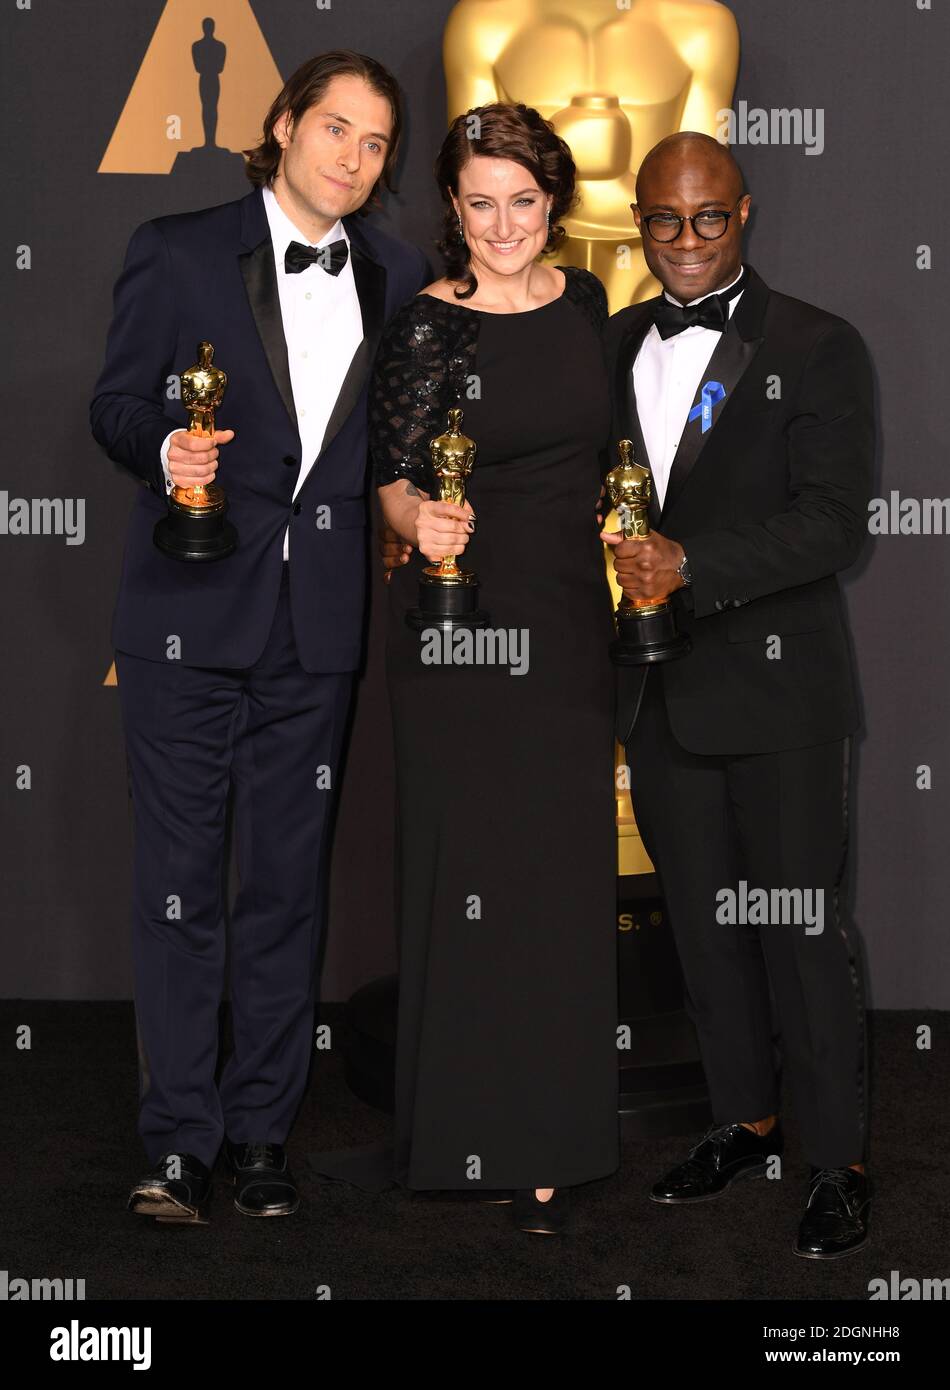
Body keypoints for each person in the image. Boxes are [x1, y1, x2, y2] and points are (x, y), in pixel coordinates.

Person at [90, 50, 429, 1225]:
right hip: (186, 616)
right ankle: (179, 1144)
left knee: (284, 891)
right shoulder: (177, 246)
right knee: (181, 888)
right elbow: (118, 402)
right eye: (335, 127)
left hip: (320, 627)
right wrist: (165, 452)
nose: (352, 155)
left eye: (375, 141)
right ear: (283, 125)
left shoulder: (398, 271)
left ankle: (261, 1133)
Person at [312, 102, 620, 1235]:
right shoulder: (426, 326)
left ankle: (551, 1138)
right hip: (457, 630)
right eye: (479, 203)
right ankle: (459, 1132)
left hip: (566, 629)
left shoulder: (585, 303)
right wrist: (417, 520)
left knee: (554, 878)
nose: (501, 226)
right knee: (467, 880)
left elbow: (609, 459)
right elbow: (391, 475)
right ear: (451, 206)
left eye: (523, 203)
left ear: (554, 203)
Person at [602, 132, 873, 1258]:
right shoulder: (607, 343)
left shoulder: (814, 344)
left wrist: (693, 567)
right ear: (638, 219)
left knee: (799, 936)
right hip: (656, 693)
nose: (684, 243)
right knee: (704, 934)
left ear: (743, 212)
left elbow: (833, 522)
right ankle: (741, 1119)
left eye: (706, 218)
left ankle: (836, 1161)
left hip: (779, 702)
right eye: (661, 221)